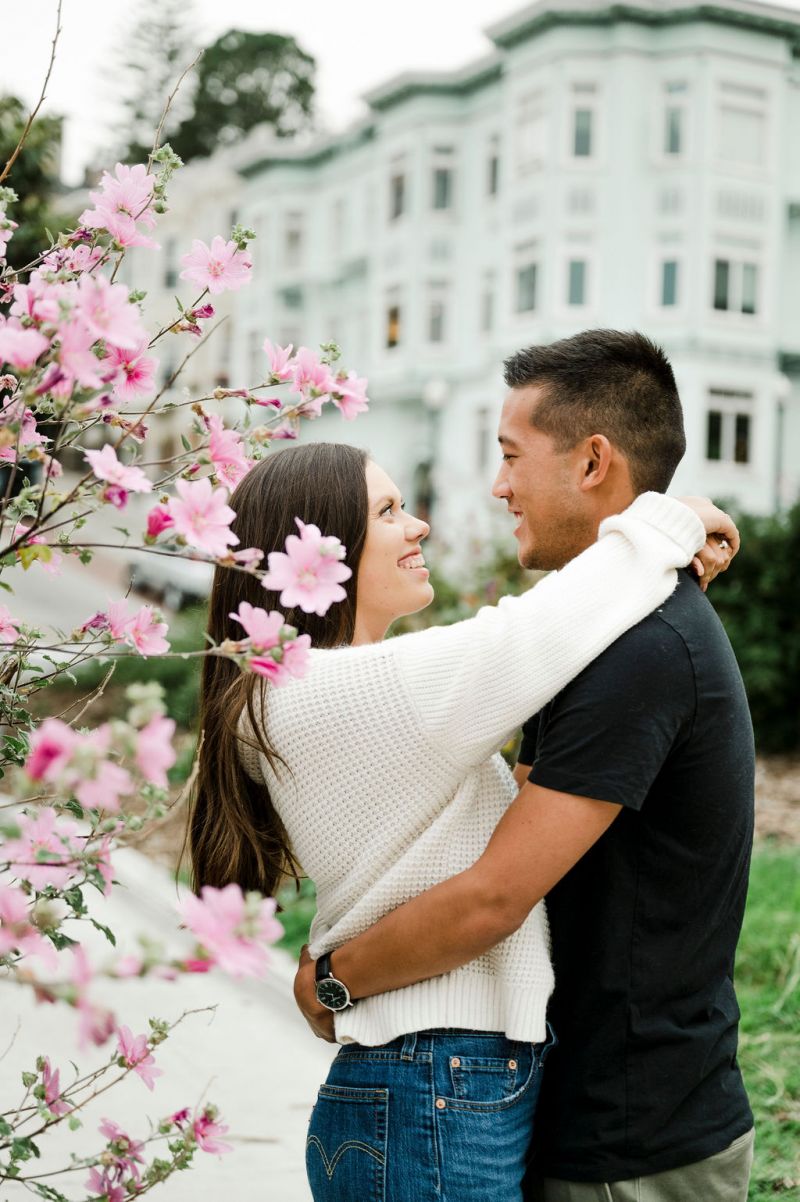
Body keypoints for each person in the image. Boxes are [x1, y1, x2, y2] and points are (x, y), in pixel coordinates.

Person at [189, 420, 734, 1197]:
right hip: (430, 1081)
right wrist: (670, 522)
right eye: (386, 513)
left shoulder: (304, 694)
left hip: (431, 1080)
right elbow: (529, 635)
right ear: (309, 551)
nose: (418, 525)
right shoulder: (333, 694)